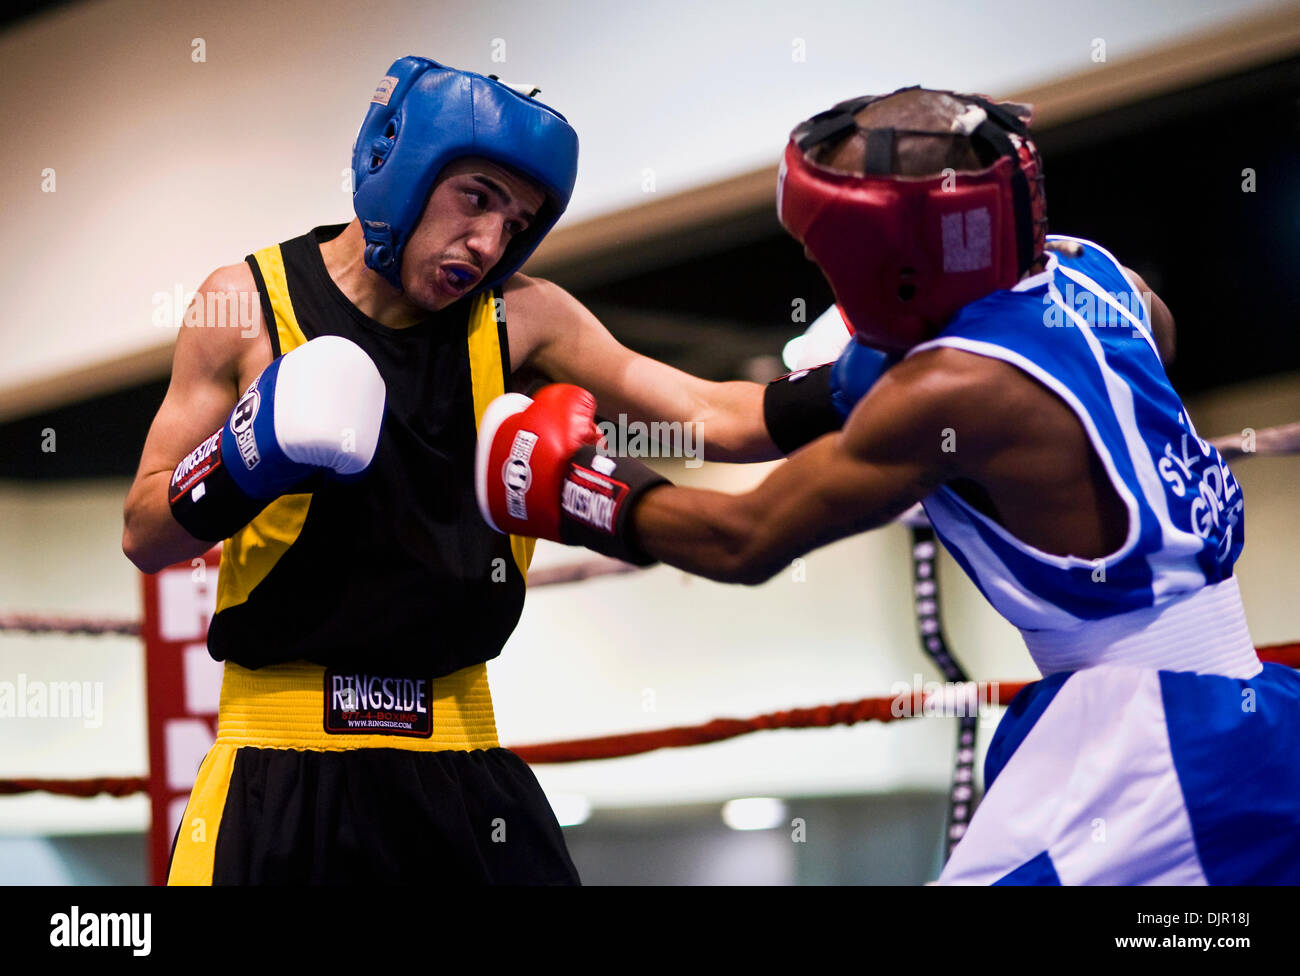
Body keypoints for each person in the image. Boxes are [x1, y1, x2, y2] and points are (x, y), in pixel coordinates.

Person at [476, 86, 1300, 884]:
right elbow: (1157, 334)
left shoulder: (951, 390)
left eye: (830, 252)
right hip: (1244, 708)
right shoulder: (1093, 274)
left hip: (1157, 745)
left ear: (883, 253)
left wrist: (578, 487)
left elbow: (746, 539)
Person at [121, 56, 788, 885]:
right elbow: (145, 532)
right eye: (475, 198)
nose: (489, 240)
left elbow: (715, 418)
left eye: (516, 222)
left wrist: (860, 386)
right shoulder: (246, 305)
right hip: (278, 771)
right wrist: (244, 454)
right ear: (398, 165)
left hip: (464, 771)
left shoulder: (525, 317)